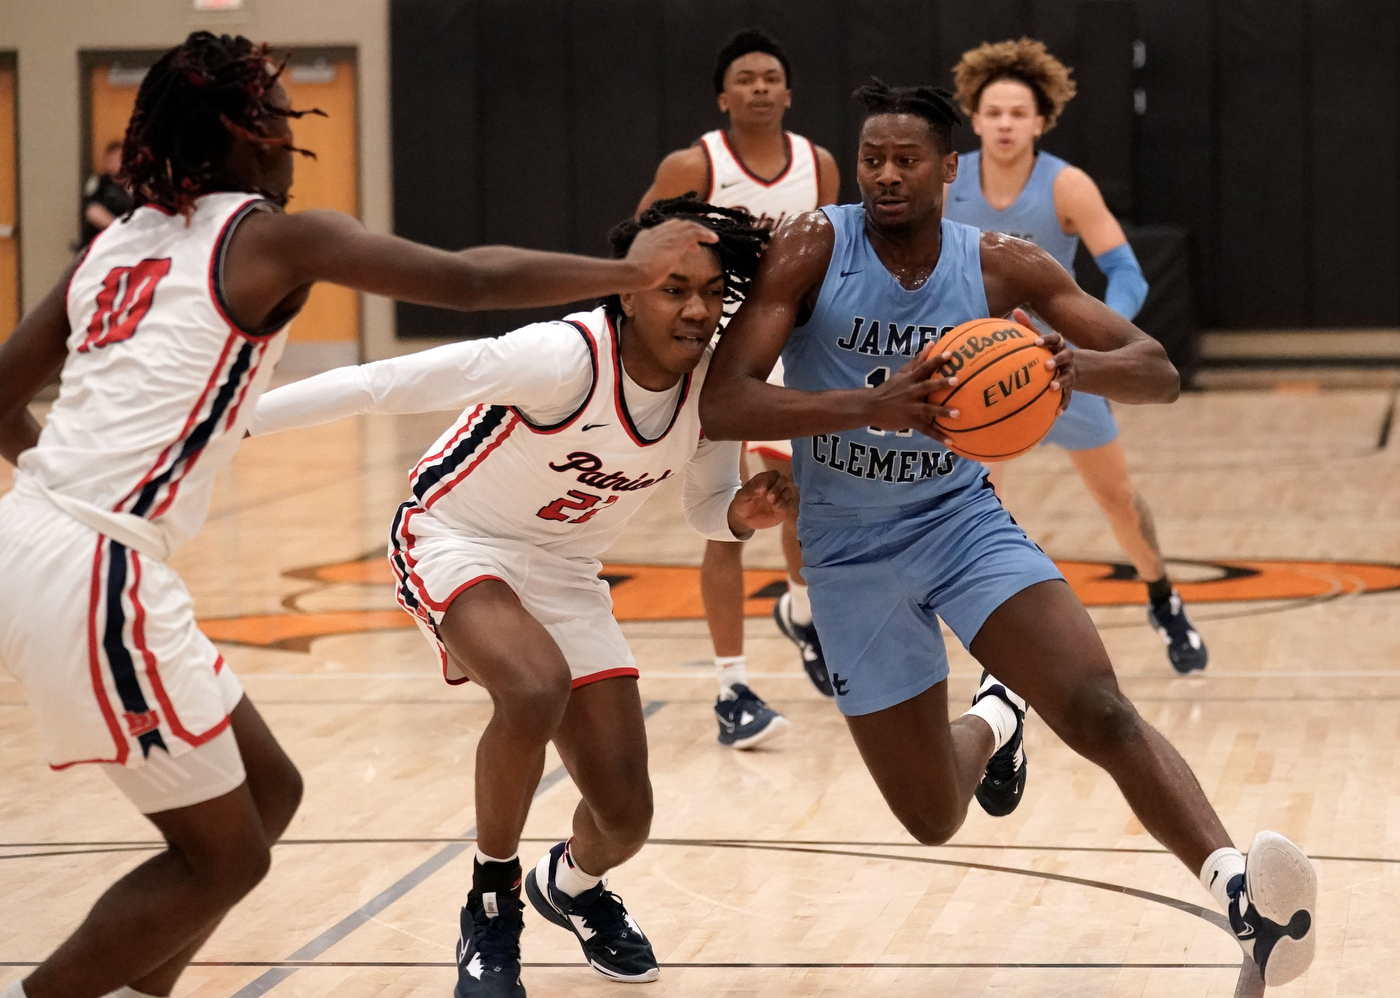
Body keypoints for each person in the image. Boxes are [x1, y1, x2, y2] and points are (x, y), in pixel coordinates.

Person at [0, 33, 719, 998]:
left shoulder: (115, 245)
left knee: (271, 796)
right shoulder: (274, 235)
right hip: (98, 563)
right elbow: (469, 282)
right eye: (284, 125)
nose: (293, 147)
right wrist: (634, 274)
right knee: (223, 859)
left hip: (57, 538)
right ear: (247, 134)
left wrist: (62, 489)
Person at [699, 79, 1317, 987]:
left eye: (906, 159)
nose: (884, 175)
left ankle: (1241, 901)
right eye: (871, 158)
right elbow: (724, 399)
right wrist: (869, 405)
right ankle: (996, 714)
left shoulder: (1000, 263)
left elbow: (1158, 371)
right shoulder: (813, 247)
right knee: (931, 817)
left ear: (950, 169)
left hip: (960, 522)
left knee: (1100, 706)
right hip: (846, 551)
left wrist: (1077, 369)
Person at [249, 196, 790, 998]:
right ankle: (491, 904)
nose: (698, 309)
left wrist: (740, 516)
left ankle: (570, 886)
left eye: (712, 292)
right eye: (677, 288)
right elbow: (380, 382)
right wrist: (229, 425)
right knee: (533, 686)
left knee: (625, 818)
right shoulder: (561, 358)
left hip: (568, 570)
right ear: (630, 289)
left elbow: (706, 505)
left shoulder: (711, 391)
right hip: (453, 537)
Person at [945, 38, 1206, 673]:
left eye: (1018, 113)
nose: (1006, 123)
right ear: (975, 119)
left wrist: (1091, 347)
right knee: (986, 512)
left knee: (1117, 500)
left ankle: (1161, 594)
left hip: (1062, 366)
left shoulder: (1066, 184)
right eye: (994, 112)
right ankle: (998, 654)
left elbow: (1128, 276)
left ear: (1040, 120)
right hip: (984, 372)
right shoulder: (948, 183)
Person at [639, 28, 842, 745]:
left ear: (788, 93)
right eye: (745, 78)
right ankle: (732, 689)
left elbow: (829, 265)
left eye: (770, 77)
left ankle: (803, 612)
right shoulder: (693, 164)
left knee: (803, 505)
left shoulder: (818, 166)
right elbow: (640, 255)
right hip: (712, 362)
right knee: (726, 518)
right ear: (724, 97)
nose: (758, 87)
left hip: (790, 354)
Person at [79, 140, 136, 249]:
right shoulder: (100, 182)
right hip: (102, 243)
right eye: (112, 159)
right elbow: (93, 211)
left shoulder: (137, 186)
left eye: (120, 159)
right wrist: (120, 228)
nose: (116, 163)